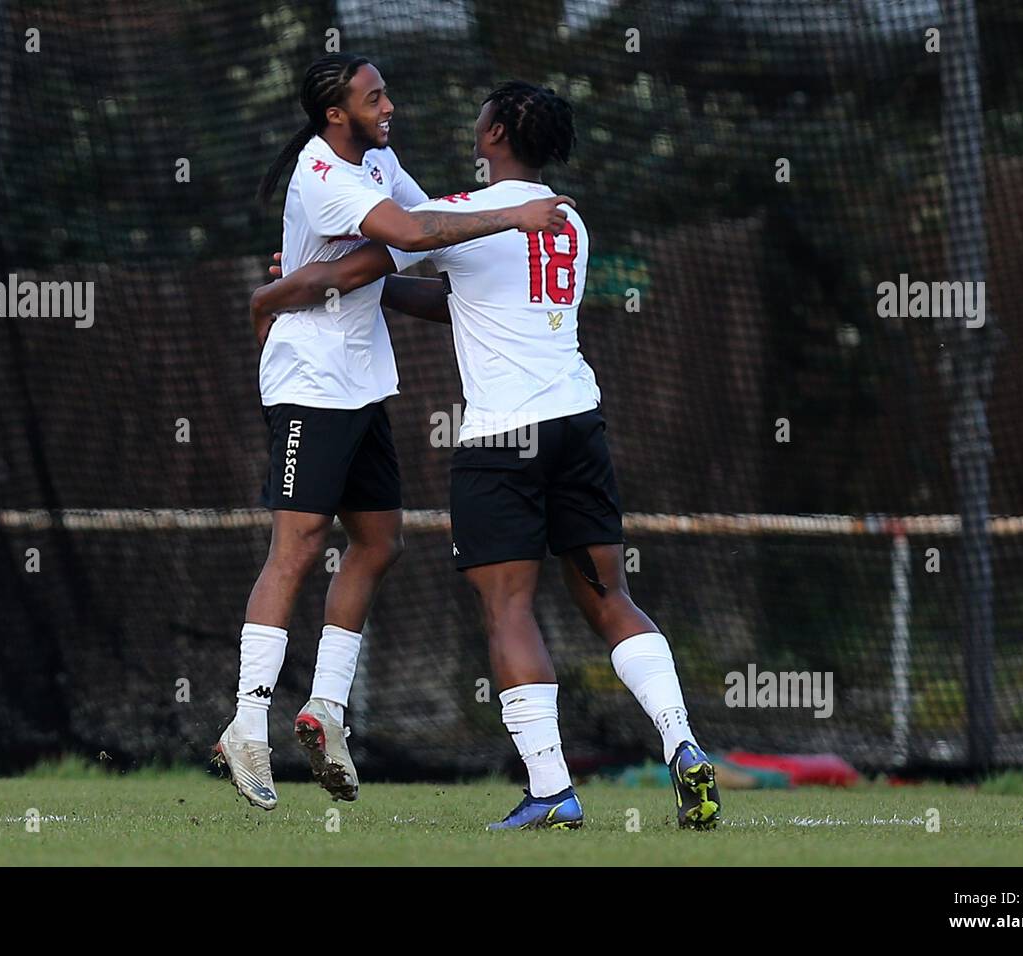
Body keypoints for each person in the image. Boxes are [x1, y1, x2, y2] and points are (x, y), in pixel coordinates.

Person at [247, 81, 721, 831]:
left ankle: (551, 790)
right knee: (610, 599)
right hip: (578, 422)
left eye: (482, 115)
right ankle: (685, 744)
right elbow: (460, 301)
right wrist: (378, 290)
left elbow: (406, 235)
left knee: (509, 608)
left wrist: (291, 283)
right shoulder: (569, 221)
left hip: (505, 439)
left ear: (496, 132)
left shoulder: (466, 214)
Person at [217, 55, 573, 813]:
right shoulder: (323, 174)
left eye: (384, 93)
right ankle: (247, 723)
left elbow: (421, 237)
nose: (390, 106)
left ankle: (326, 711)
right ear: (334, 114)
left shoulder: (376, 156)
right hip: (310, 383)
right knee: (300, 544)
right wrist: (509, 215)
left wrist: (326, 277)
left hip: (363, 382)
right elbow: (412, 231)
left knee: (381, 542)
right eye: (373, 97)